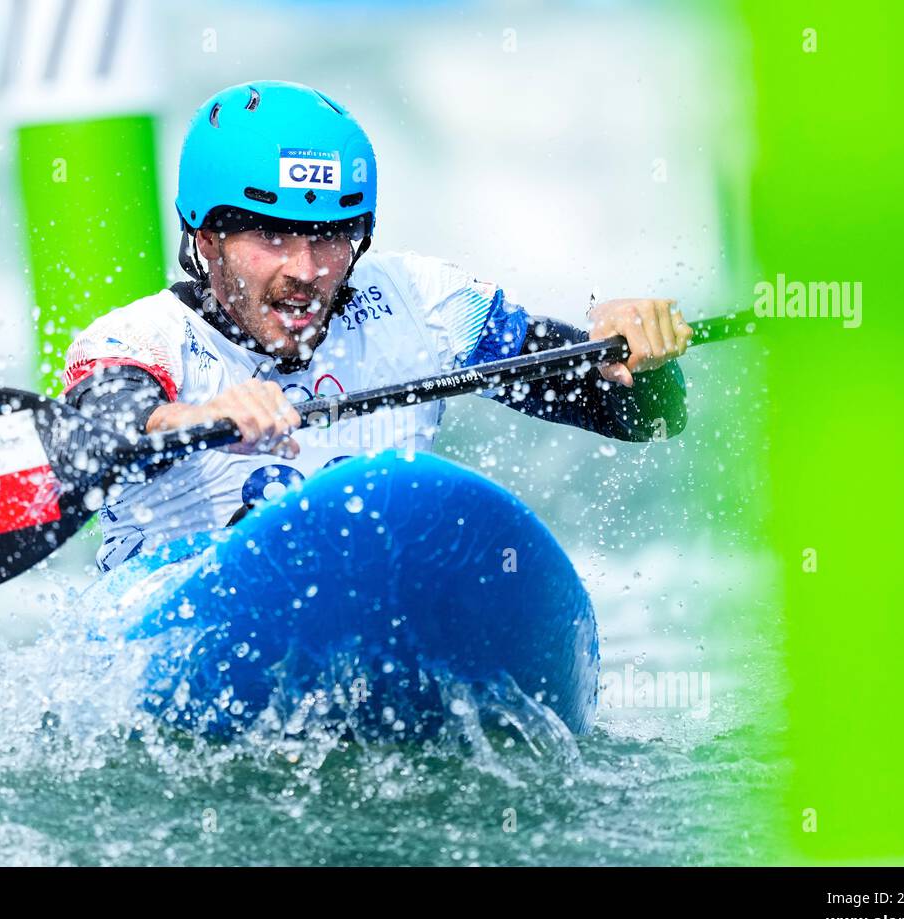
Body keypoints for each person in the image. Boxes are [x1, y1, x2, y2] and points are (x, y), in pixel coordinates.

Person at [60, 80, 692, 572]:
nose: (305, 271)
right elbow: (92, 439)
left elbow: (643, 419)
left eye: (333, 235)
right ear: (206, 235)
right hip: (170, 633)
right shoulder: (138, 339)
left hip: (370, 615)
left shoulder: (422, 303)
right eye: (272, 235)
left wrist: (633, 354)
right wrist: (190, 420)